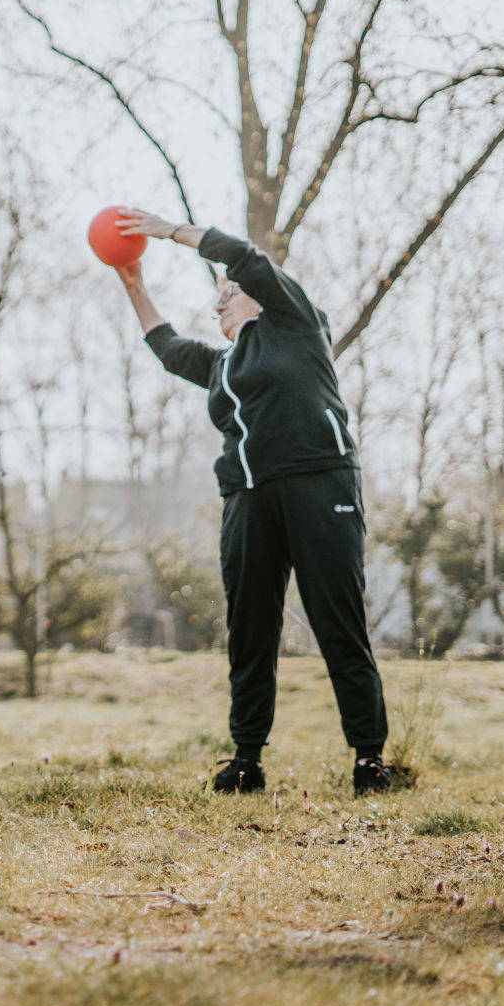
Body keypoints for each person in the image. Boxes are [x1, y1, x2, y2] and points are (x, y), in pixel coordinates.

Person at [111, 212, 391, 796]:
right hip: (246, 497)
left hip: (320, 483)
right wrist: (133, 282)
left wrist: (169, 231)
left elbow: (247, 258)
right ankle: (246, 760)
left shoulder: (297, 323)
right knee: (250, 629)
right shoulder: (222, 365)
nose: (219, 303)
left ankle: (370, 760)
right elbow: (167, 348)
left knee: (337, 622)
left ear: (261, 298)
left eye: (229, 293)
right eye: (217, 297)